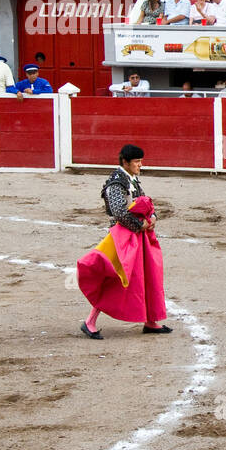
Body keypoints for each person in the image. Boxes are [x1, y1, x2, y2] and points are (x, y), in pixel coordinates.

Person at [76, 144, 170, 339]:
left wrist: (152, 216)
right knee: (116, 277)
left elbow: (144, 200)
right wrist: (140, 225)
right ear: (125, 162)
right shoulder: (116, 183)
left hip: (136, 236)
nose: (140, 165)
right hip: (120, 237)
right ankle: (90, 322)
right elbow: (119, 212)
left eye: (141, 161)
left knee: (144, 275)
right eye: (137, 162)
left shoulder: (132, 180)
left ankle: (150, 321)